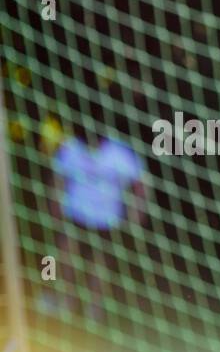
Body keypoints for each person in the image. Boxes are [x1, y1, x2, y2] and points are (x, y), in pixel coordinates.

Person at [40, 122, 146, 321]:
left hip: (106, 220)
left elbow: (141, 183)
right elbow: (57, 180)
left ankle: (94, 308)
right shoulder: (70, 148)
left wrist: (137, 213)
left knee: (99, 264)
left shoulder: (118, 152)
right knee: (63, 257)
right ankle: (66, 300)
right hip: (75, 215)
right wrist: (54, 207)